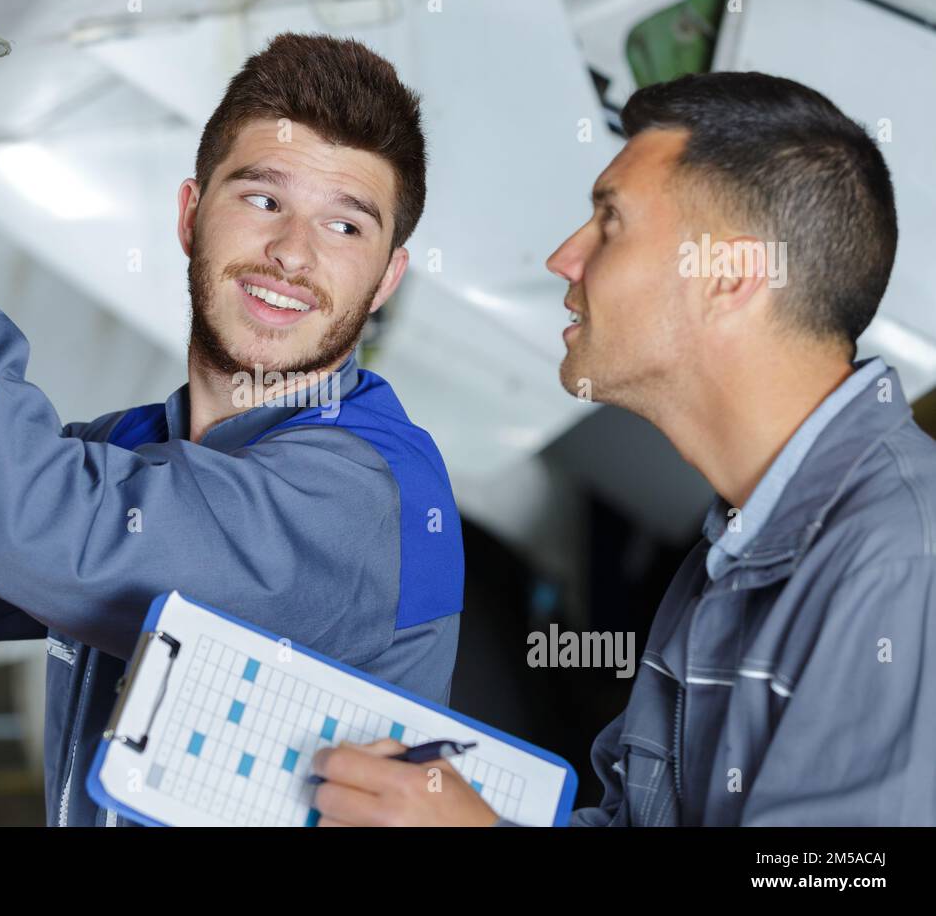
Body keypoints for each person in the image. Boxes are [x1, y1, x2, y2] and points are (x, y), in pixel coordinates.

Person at [0, 32, 464, 826]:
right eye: (263, 199)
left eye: (345, 227)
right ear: (190, 214)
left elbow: (43, 531)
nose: (292, 254)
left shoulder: (360, 495)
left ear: (386, 279)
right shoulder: (137, 458)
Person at [311, 71, 936, 826]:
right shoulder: (739, 547)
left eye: (610, 221)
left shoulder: (903, 562)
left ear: (729, 277)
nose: (564, 259)